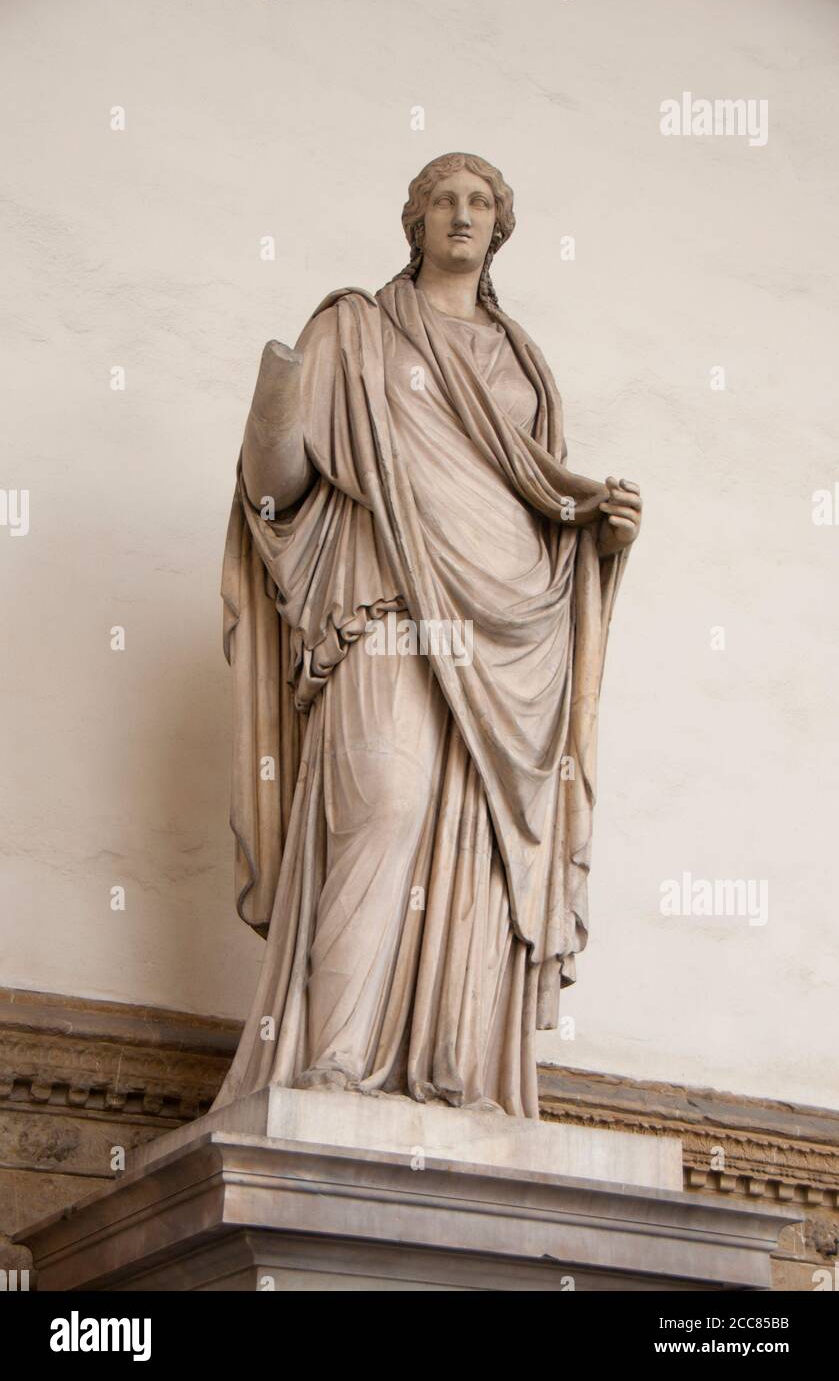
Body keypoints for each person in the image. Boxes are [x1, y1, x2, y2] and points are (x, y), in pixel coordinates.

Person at [212, 152, 642, 1119]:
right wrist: (274, 399)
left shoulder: (524, 361)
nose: (461, 213)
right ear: (413, 222)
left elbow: (540, 501)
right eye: (441, 199)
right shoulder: (354, 331)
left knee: (483, 850)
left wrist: (600, 535)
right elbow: (277, 492)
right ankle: (333, 1062)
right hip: (390, 609)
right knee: (388, 807)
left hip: (512, 638)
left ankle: (457, 1074)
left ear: (500, 226)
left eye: (479, 200)